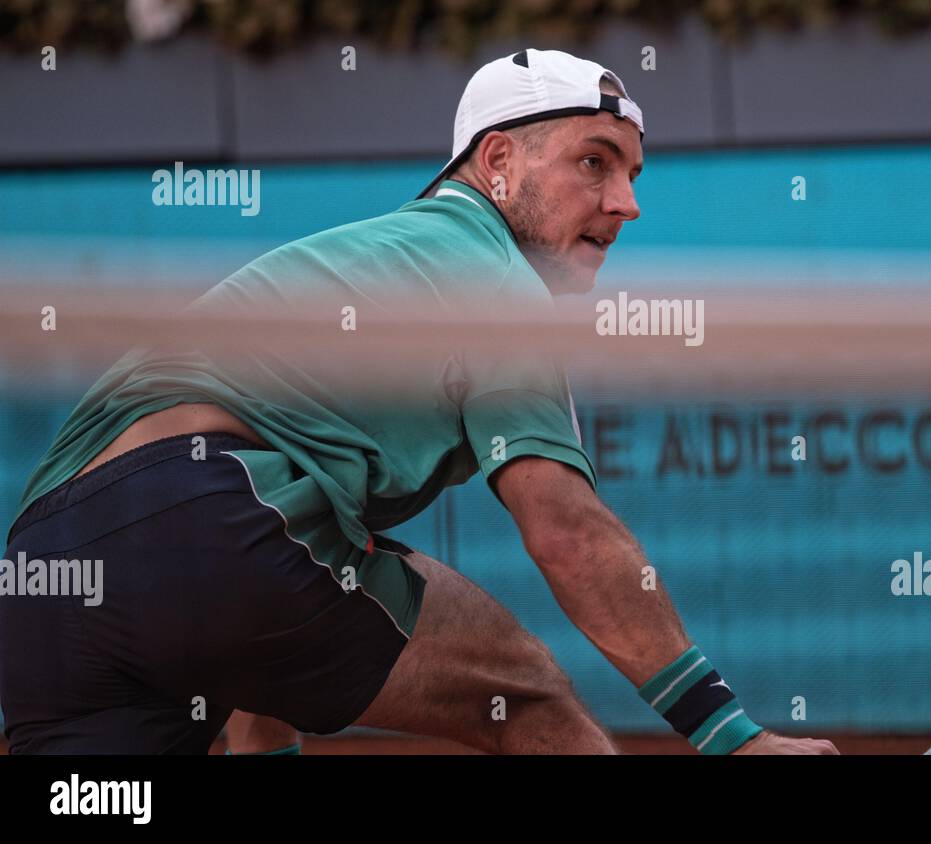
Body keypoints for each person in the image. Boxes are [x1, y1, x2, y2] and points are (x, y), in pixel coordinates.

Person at [1, 48, 838, 756]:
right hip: (216, 518)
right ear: (499, 163)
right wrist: (732, 736)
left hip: (44, 576)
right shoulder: (492, 282)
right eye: (594, 161)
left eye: (630, 172)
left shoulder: (374, 257)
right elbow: (567, 534)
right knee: (529, 697)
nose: (626, 201)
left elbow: (253, 632)